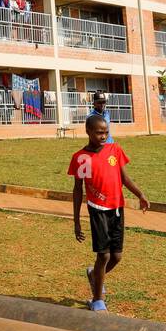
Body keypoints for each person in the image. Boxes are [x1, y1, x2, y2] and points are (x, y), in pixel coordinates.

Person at [67, 114, 150, 312]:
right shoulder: (81, 158)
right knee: (103, 256)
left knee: (117, 256)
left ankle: (94, 275)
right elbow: (78, 190)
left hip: (117, 209)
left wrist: (140, 194)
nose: (103, 136)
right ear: (88, 132)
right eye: (99, 133)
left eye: (106, 132)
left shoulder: (115, 149)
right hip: (97, 209)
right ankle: (97, 299)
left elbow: (124, 178)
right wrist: (77, 221)